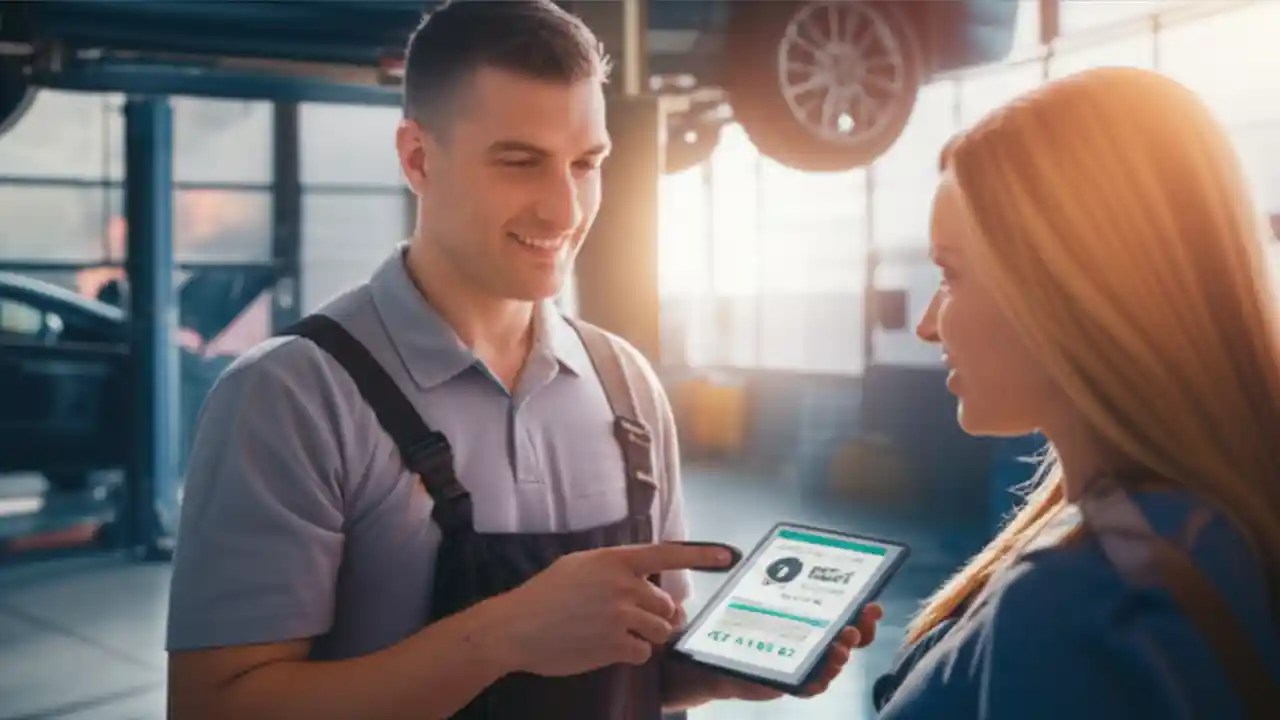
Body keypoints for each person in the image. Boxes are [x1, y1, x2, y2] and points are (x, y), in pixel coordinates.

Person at [165, 2, 877, 718]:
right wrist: (502, 637)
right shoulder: (290, 395)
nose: (565, 211)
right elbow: (212, 708)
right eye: (520, 162)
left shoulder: (626, 384)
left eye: (587, 164)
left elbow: (634, 667)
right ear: (417, 158)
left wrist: (719, 673)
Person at [872, 67, 1280, 718]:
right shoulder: (1205, 532)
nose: (926, 326)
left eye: (951, 275)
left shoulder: (1072, 602)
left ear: (1063, 289)